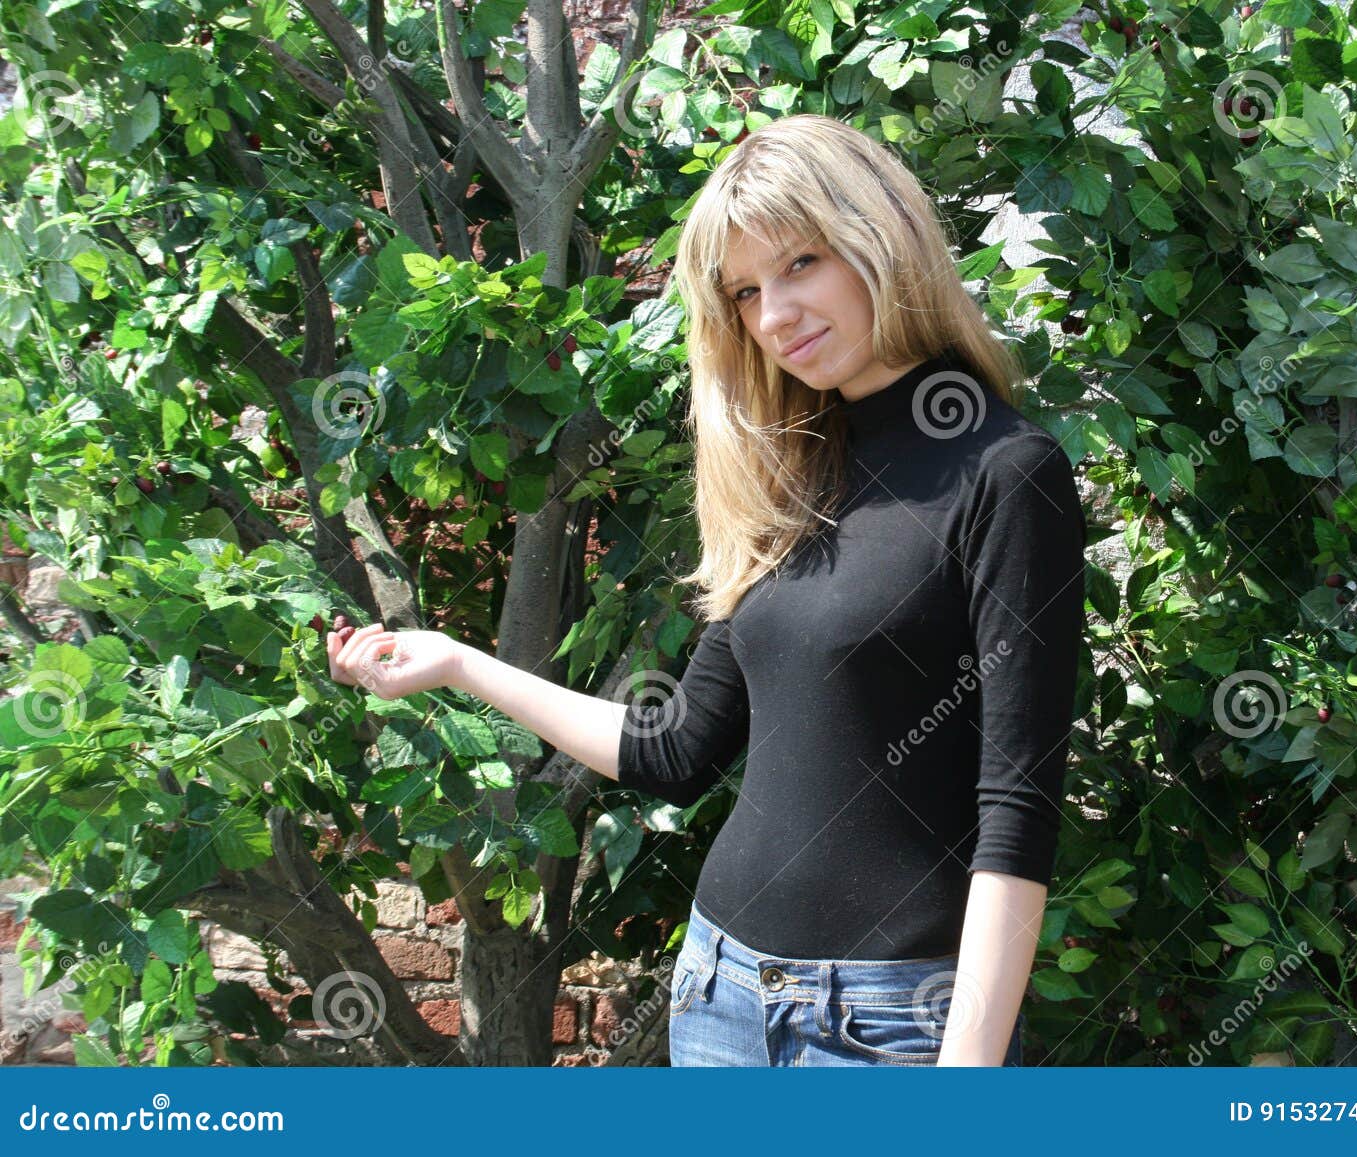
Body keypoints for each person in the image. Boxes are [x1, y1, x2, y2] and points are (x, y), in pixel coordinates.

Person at [328, 113, 1087, 1067]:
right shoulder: (793, 477)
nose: (774, 317)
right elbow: (676, 746)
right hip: (720, 994)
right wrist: (459, 664)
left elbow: (1018, 809)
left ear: (881, 236)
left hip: (895, 1025)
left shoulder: (1005, 471)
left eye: (802, 262)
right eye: (744, 291)